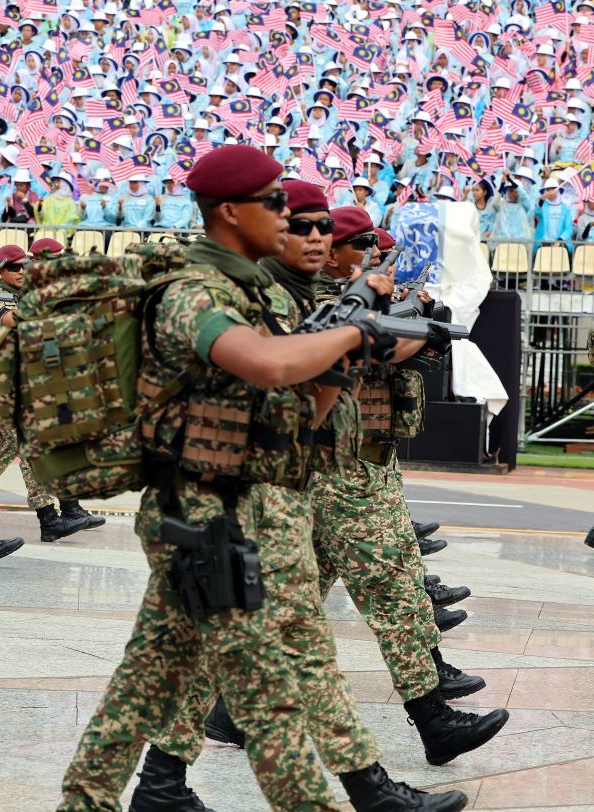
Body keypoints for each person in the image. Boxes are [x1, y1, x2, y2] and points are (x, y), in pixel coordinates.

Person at [60, 145, 468, 812]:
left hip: (256, 504)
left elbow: (303, 411)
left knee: (149, 679)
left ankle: (126, 793)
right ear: (229, 211)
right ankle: (364, 795)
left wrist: (341, 357)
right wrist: (347, 333)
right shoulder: (196, 292)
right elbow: (265, 366)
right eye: (279, 207)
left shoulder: (257, 290)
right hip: (206, 513)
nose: (301, 226)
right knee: (278, 682)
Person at [0, 245, 91, 543]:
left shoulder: (21, 295)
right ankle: (51, 516)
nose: (22, 272)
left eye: (25, 267)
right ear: (0, 270)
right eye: (15, 268)